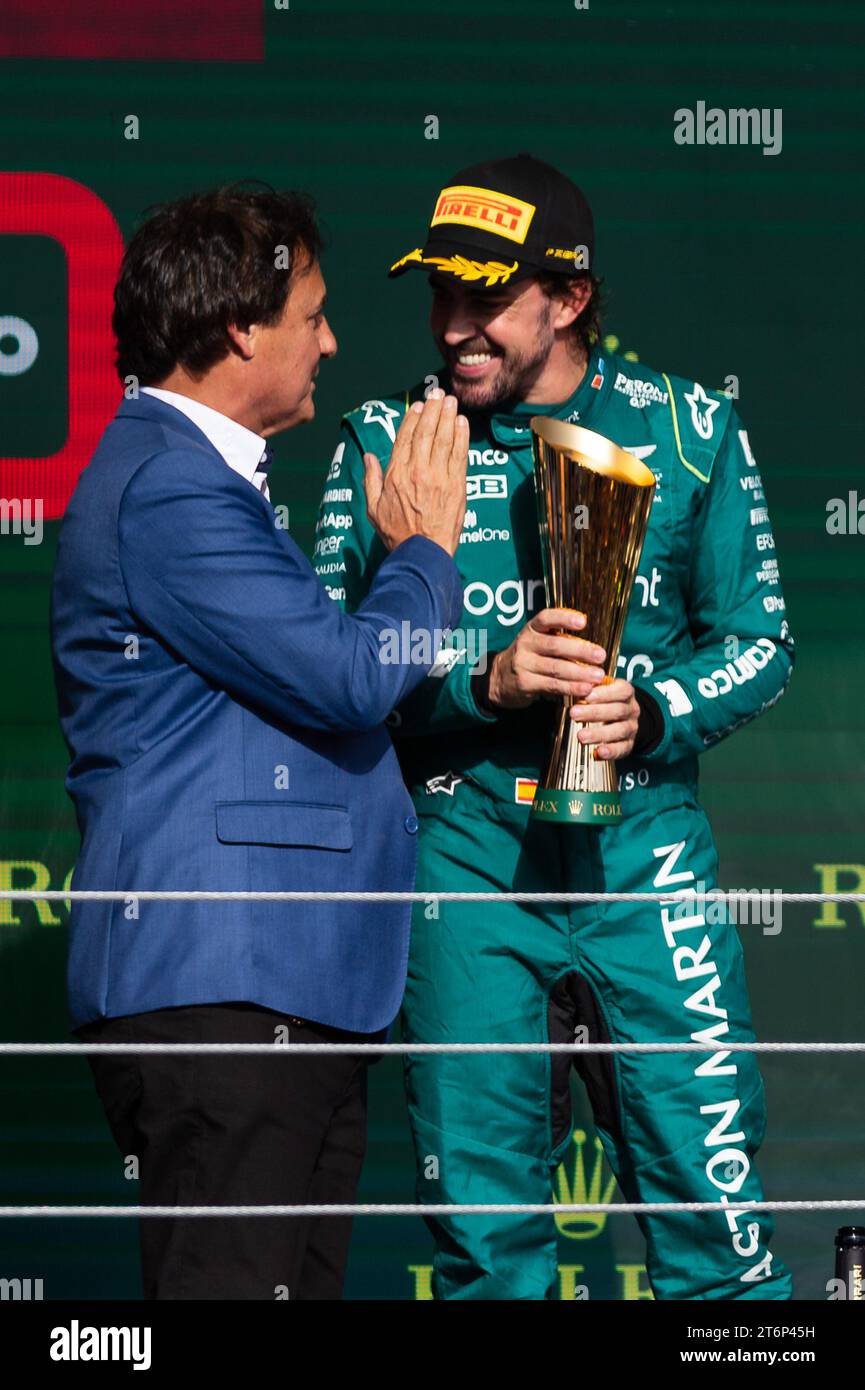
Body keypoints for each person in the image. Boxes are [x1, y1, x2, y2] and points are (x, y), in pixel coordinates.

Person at [313, 154, 795, 1300]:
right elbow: (327, 672)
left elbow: (763, 642)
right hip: (466, 865)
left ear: (569, 298)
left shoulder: (689, 428)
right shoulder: (385, 439)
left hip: (646, 862)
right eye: (439, 295)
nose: (454, 327)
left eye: (485, 297)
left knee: (716, 1236)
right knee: (486, 1251)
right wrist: (484, 681)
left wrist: (657, 705)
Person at [50, 185, 469, 1300]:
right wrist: (426, 550)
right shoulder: (170, 488)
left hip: (283, 990)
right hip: (228, 991)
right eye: (314, 314)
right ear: (242, 327)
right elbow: (350, 674)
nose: (332, 339)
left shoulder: (195, 483)